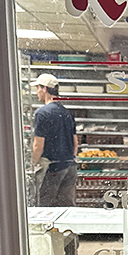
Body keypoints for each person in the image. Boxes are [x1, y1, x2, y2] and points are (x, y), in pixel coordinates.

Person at [31, 72, 78, 206]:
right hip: (70, 167)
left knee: (45, 206)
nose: (37, 92)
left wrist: (33, 164)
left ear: (44, 88)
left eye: (37, 88)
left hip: (52, 168)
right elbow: (75, 144)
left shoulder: (42, 113)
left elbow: (38, 145)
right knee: (66, 206)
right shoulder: (67, 113)